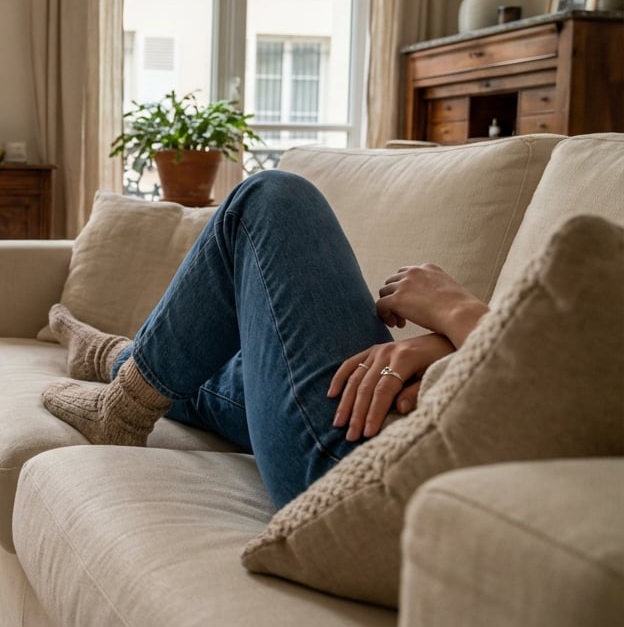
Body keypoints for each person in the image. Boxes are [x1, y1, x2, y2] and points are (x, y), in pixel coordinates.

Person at [41, 170, 489, 508]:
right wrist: (446, 343)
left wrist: (459, 312)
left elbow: (552, 384)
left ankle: (120, 404)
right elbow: (536, 366)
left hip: (375, 464)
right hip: (410, 416)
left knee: (271, 197)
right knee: (256, 373)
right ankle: (113, 358)